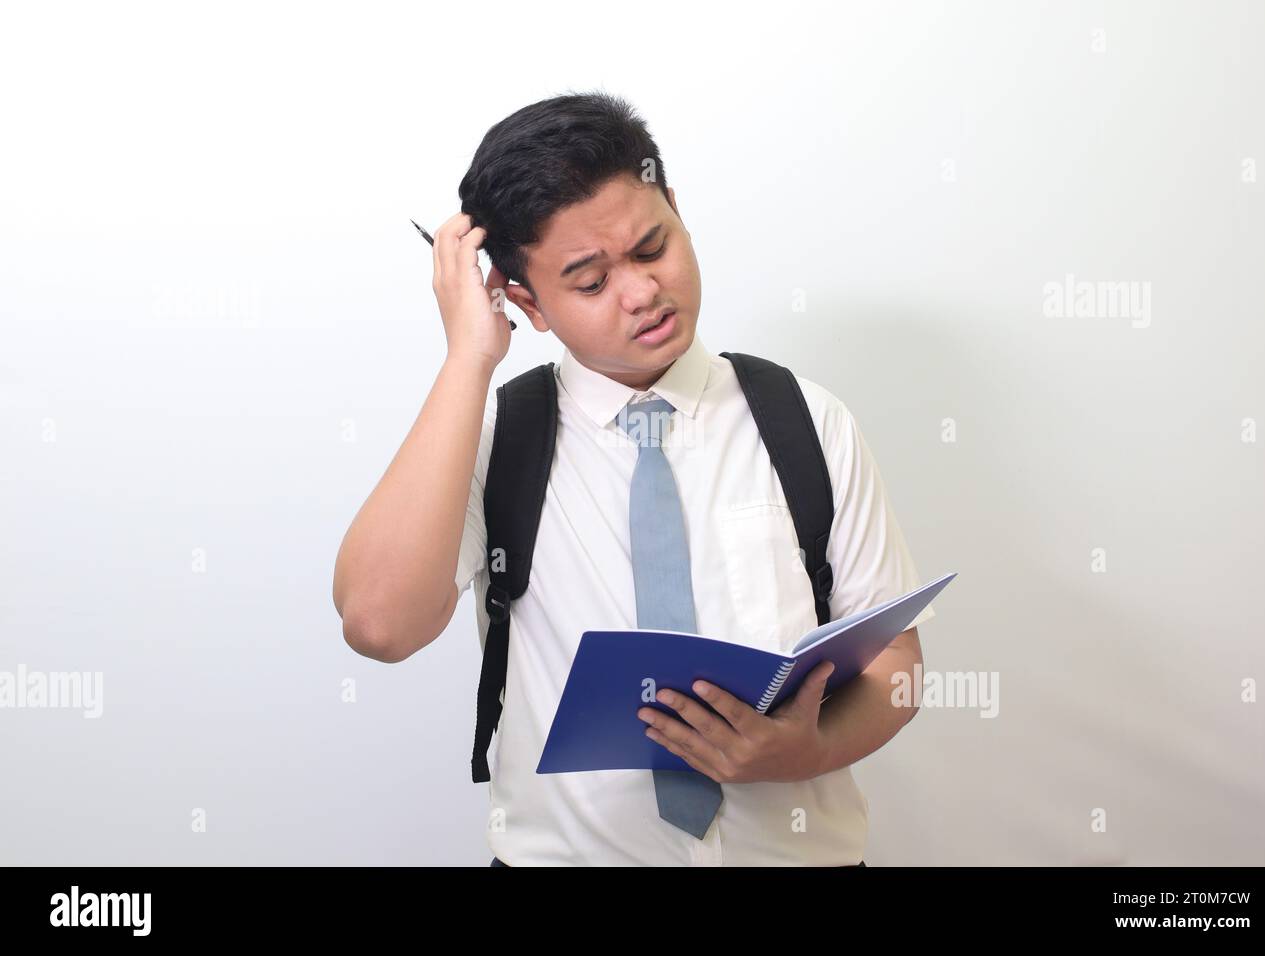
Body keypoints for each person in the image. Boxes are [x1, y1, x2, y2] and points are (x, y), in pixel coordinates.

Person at [332, 91, 935, 866]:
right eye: (588, 281)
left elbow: (898, 670)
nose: (642, 292)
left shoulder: (805, 422)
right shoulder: (492, 439)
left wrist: (804, 750)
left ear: (676, 209)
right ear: (525, 301)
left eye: (652, 248)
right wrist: (467, 360)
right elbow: (381, 626)